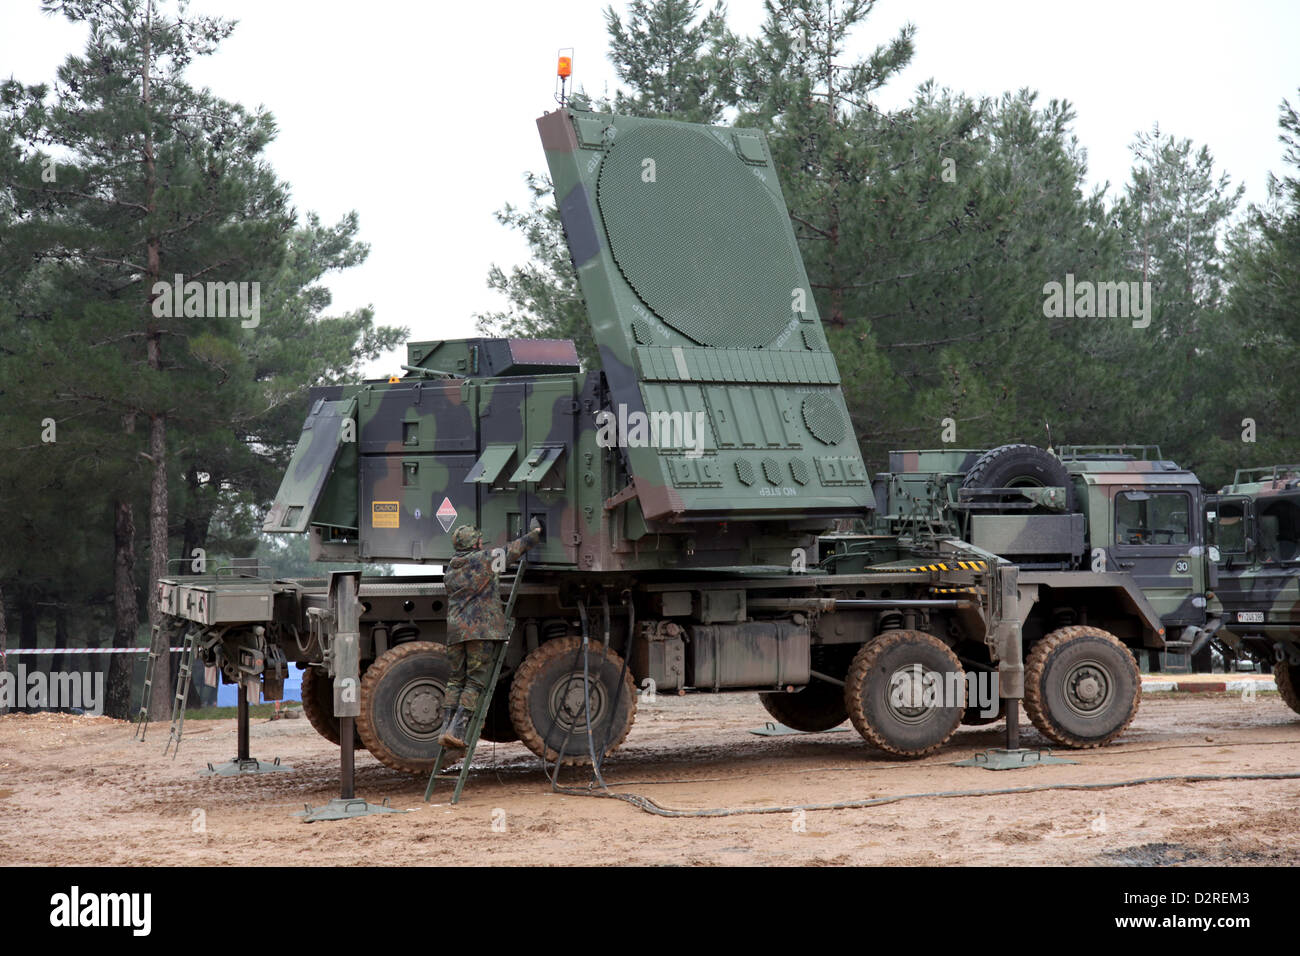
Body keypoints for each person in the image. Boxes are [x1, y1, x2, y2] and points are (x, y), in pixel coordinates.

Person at [438, 518, 543, 749]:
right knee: (475, 682)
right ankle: (458, 730)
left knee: (456, 680)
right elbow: (513, 551)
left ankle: (446, 727)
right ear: (474, 544)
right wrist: (535, 533)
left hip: (456, 633)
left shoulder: (451, 569)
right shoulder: (483, 561)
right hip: (480, 631)